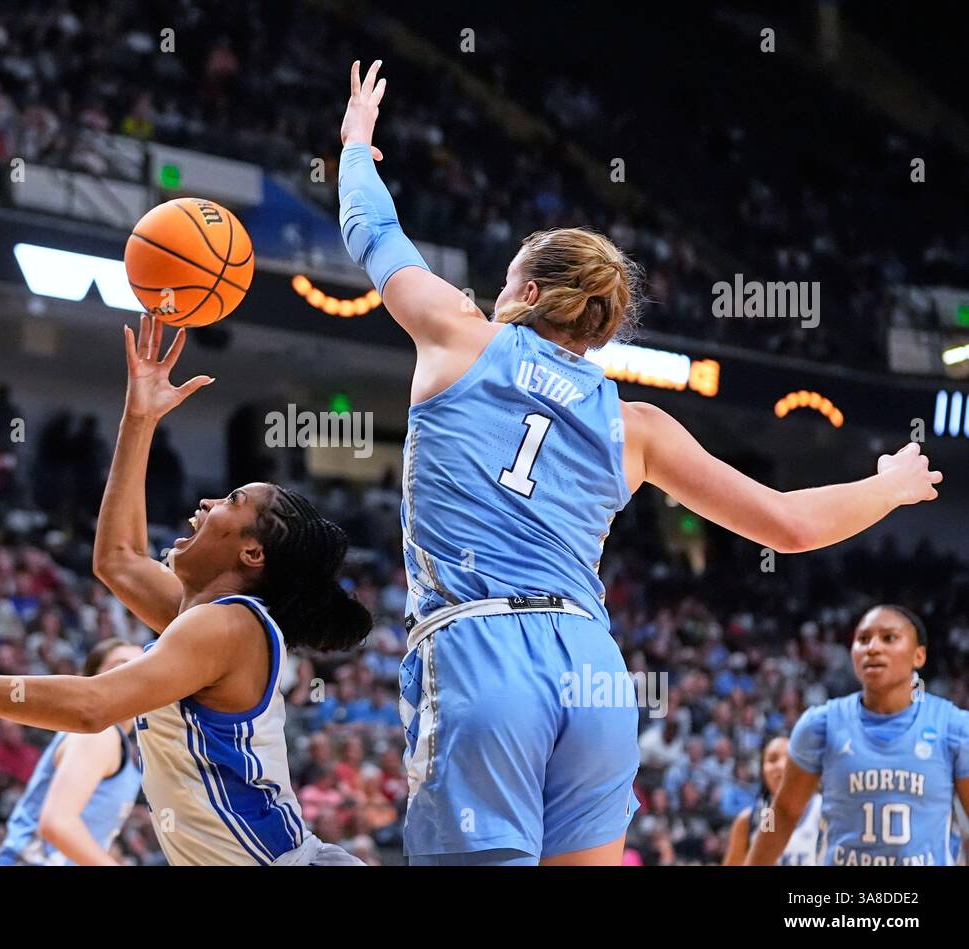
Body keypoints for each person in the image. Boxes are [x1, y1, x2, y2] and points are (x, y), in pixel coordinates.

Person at [337, 60, 943, 865]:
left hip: (482, 652)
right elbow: (791, 526)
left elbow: (372, 232)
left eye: (507, 279)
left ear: (522, 294)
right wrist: (889, 485)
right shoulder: (640, 428)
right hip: (592, 669)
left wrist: (353, 144)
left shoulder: (456, 330)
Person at [0, 316, 370, 865]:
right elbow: (117, 560)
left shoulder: (228, 627)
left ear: (252, 553)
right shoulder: (202, 617)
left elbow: (93, 706)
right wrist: (138, 418)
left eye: (231, 502)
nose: (208, 503)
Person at [746, 606, 969, 865]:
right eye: (863, 639)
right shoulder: (820, 724)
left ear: (918, 656)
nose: (873, 648)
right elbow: (783, 813)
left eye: (889, 638)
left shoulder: (954, 726)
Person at [0, 640, 143, 865]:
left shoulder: (119, 743)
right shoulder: (99, 735)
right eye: (120, 665)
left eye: (141, 666)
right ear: (90, 680)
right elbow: (57, 823)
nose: (132, 674)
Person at [722, 736, 820, 865]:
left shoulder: (824, 809)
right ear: (762, 770)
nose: (780, 765)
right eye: (772, 759)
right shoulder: (750, 820)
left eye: (789, 759)